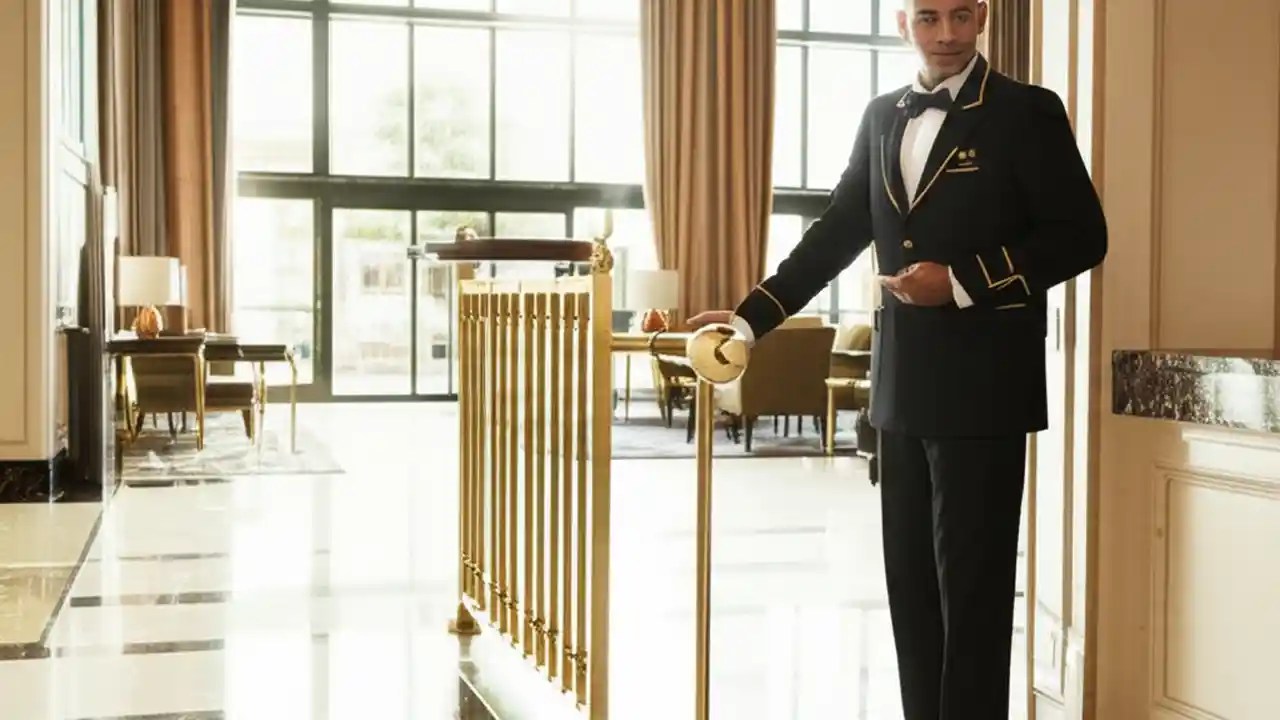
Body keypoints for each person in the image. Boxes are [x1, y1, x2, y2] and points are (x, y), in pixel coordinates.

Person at [689, 0, 1107, 717]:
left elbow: (1081, 237)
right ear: (902, 25)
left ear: (982, 20)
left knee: (971, 600)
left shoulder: (1027, 111)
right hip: (901, 390)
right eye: (927, 17)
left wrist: (963, 281)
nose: (946, 34)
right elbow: (835, 233)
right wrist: (752, 318)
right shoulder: (883, 114)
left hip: (985, 393)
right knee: (912, 597)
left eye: (961, 16)